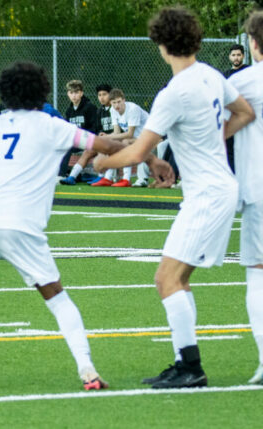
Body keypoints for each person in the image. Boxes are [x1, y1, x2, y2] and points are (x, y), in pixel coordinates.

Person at [0, 61, 173, 390]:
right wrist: (150, 158)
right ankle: (87, 370)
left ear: (3, 93)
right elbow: (107, 146)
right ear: (42, 92)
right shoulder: (52, 125)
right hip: (21, 225)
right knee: (57, 297)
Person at [94, 6, 254, 389]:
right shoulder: (211, 76)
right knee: (177, 279)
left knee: (166, 278)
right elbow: (244, 112)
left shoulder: (173, 93)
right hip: (215, 187)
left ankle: (190, 367)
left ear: (162, 45)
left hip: (207, 195)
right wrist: (208, 142)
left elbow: (135, 153)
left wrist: (102, 163)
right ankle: (186, 362)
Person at [227, 11, 263, 384]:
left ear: (252, 43)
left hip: (259, 188)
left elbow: (211, 121)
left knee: (257, 276)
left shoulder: (243, 82)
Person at [92, 88, 151, 187]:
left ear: (124, 100)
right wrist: (107, 137)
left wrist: (109, 137)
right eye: (114, 102)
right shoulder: (113, 110)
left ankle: (126, 179)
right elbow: (116, 132)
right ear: (110, 103)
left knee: (125, 142)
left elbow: (129, 134)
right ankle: (107, 177)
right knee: (110, 142)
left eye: (119, 102)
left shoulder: (133, 109)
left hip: (150, 138)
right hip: (137, 138)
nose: (117, 105)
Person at [58, 80, 97, 185]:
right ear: (68, 94)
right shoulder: (69, 111)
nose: (74, 95)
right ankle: (61, 173)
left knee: (68, 146)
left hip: (89, 139)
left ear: (81, 93)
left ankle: (61, 175)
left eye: (76, 92)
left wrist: (80, 136)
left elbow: (95, 128)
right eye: (71, 93)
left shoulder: (90, 107)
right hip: (76, 140)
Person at [223, 44, 249, 173]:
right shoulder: (226, 75)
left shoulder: (248, 72)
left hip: (246, 117)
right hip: (230, 117)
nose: (236, 58)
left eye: (238, 55)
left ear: (243, 56)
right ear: (229, 57)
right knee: (229, 150)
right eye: (233, 55)